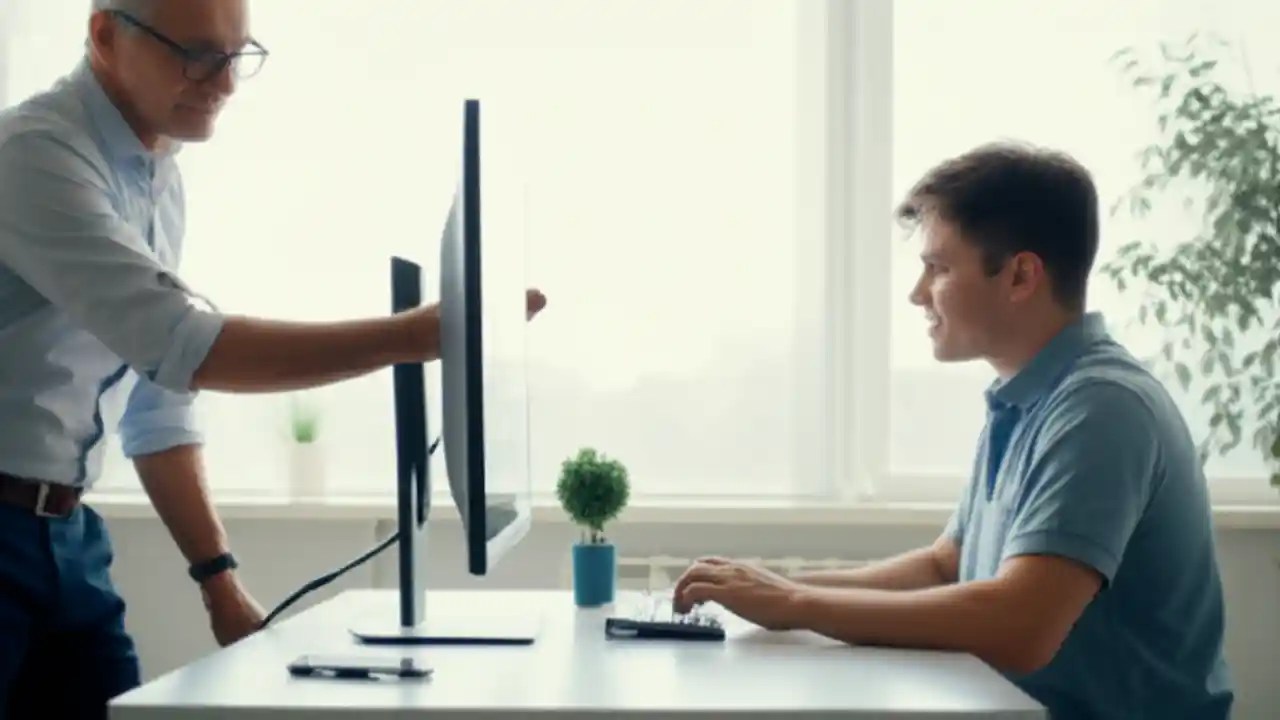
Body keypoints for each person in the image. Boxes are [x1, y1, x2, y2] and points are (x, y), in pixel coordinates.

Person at [0, 0, 546, 717]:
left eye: (239, 54)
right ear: (105, 35)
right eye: (198, 54)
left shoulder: (156, 176)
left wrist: (218, 582)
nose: (224, 82)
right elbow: (190, 347)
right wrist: (416, 336)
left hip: (66, 535)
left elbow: (156, 409)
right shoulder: (34, 156)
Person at [674, 142, 1233, 719]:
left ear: (1020, 275)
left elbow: (1022, 624)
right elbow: (946, 565)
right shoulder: (1030, 398)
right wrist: (768, 589)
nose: (918, 294)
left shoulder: (1102, 409)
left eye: (938, 268)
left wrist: (794, 601)